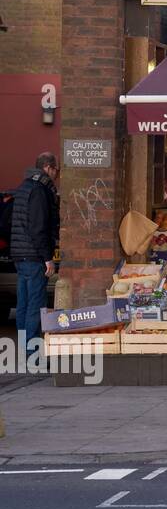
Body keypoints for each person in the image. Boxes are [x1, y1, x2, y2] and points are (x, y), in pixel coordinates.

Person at [10, 152, 59, 357]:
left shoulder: (23, 187)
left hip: (19, 254)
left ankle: (24, 349)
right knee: (35, 305)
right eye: (56, 170)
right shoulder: (39, 190)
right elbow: (39, 227)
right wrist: (48, 257)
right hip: (33, 255)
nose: (57, 175)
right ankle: (33, 352)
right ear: (48, 167)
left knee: (23, 303)